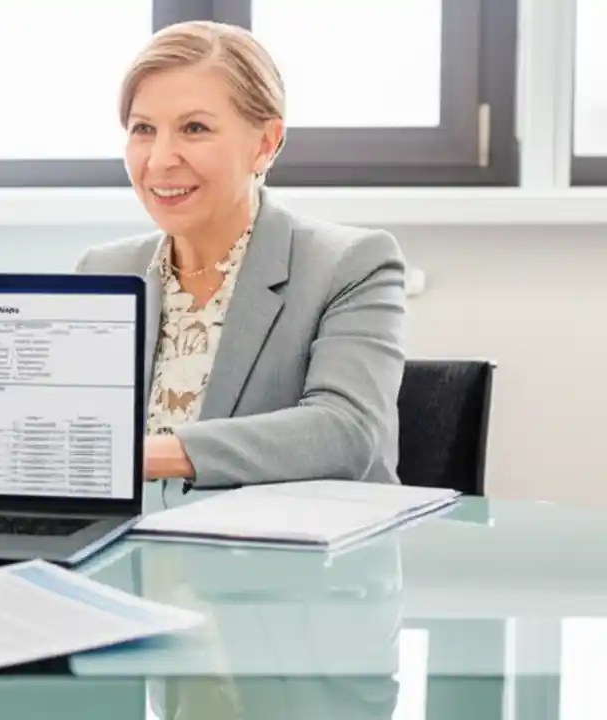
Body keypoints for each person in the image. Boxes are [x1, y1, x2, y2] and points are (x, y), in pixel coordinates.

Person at [77, 21, 406, 510]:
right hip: (127, 552)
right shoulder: (104, 270)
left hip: (296, 566)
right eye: (143, 129)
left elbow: (346, 431)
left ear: (265, 144)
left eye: (194, 128)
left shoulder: (352, 264)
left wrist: (146, 456)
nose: (161, 159)